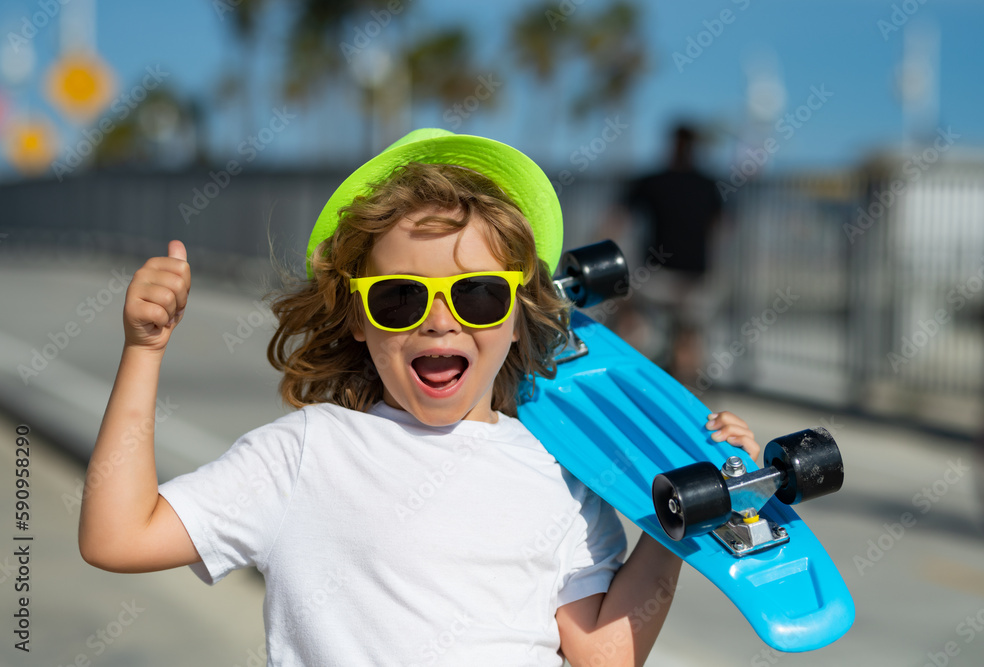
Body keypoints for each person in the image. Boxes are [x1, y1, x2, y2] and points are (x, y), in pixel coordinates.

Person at [78, 128, 760, 666]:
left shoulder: (558, 477)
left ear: (519, 311)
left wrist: (679, 522)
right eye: (401, 297)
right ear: (357, 315)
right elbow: (118, 534)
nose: (441, 319)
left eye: (478, 294)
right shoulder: (308, 452)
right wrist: (144, 351)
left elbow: (604, 655)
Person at [617, 123, 723, 383]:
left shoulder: (652, 181)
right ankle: (687, 395)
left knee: (630, 317)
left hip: (659, 277)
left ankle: (630, 379)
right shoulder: (709, 185)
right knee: (688, 337)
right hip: (695, 277)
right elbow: (721, 226)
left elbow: (618, 218)